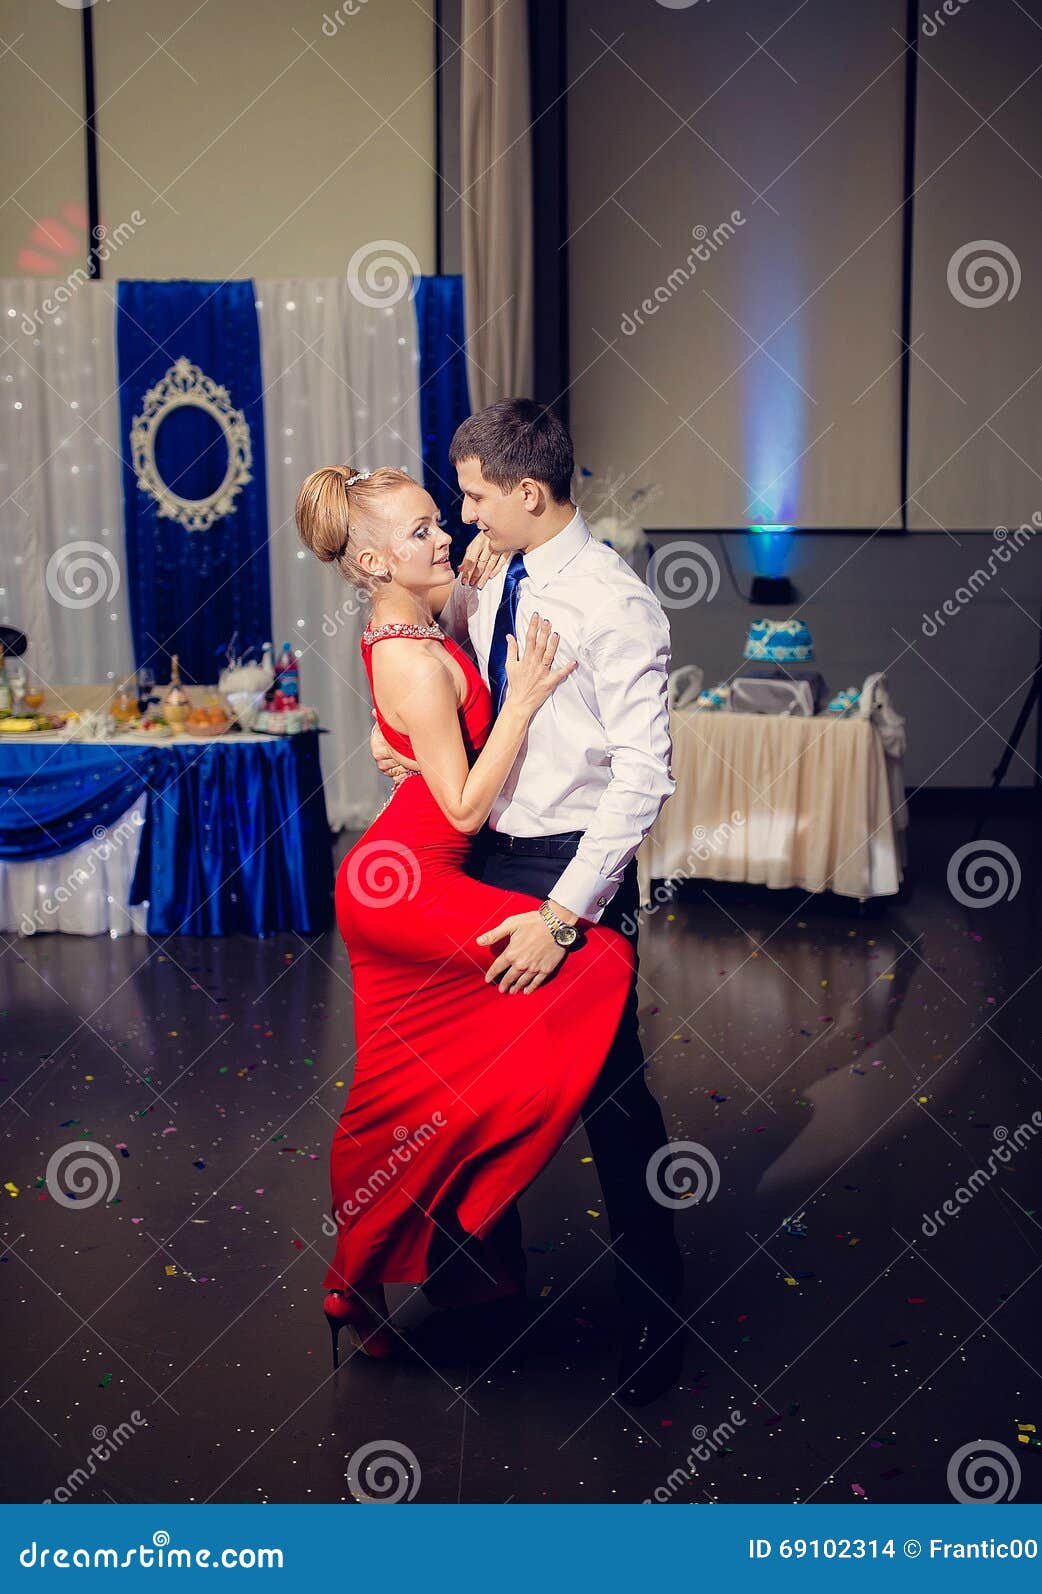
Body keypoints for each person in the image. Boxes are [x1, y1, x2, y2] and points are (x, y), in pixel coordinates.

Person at [370, 400, 685, 1405]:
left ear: (527, 493)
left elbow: (642, 779)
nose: (461, 516)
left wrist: (562, 916)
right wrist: (410, 753)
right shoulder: (488, 572)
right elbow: (460, 694)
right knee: (466, 1087)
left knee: (610, 1092)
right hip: (481, 854)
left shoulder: (617, 605)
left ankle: (655, 1313)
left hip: (573, 865)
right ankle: (484, 1300)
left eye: (471, 496)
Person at [294, 462, 635, 1380]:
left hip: (393, 874)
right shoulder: (407, 650)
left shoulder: (410, 619)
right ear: (370, 560)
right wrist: (520, 704)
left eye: (440, 519)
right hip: (411, 884)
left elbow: (438, 644)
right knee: (596, 962)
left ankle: (372, 1279)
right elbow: (463, 811)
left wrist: (475, 564)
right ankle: (442, 1234)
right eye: (418, 532)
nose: (441, 536)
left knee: (405, 1088)